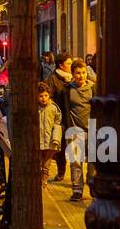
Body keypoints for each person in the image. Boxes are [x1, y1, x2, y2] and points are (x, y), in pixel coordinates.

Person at [65, 59, 94, 201]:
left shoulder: (93, 88)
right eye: (78, 73)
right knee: (75, 161)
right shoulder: (68, 90)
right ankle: (77, 189)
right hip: (75, 131)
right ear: (72, 74)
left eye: (83, 73)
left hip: (92, 130)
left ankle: (93, 185)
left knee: (93, 161)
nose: (81, 76)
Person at [43, 53, 74, 182]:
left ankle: (74, 175)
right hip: (60, 118)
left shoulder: (73, 79)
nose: (70, 66)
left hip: (72, 116)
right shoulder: (53, 79)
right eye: (68, 64)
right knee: (60, 147)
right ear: (61, 65)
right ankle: (61, 171)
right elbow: (49, 98)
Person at [38, 84, 62, 182]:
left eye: (46, 95)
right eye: (41, 96)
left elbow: (57, 122)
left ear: (49, 95)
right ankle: (38, 179)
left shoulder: (53, 108)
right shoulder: (35, 108)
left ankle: (44, 180)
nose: (43, 98)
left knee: (46, 163)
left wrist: (56, 138)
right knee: (38, 162)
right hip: (39, 140)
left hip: (50, 140)